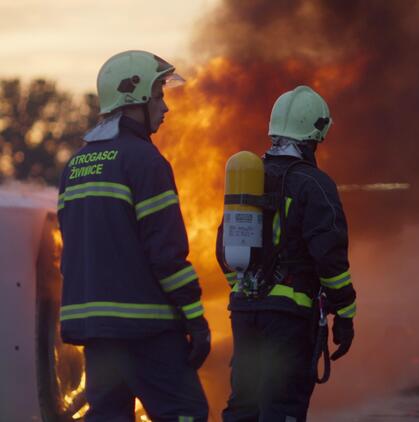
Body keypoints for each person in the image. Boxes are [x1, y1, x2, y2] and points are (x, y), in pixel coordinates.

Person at [57, 50, 210, 421]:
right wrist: (195, 319)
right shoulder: (144, 160)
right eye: (159, 95)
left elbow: (75, 250)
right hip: (146, 329)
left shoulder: (75, 165)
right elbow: (166, 253)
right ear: (136, 98)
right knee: (186, 412)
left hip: (96, 335)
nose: (165, 107)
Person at [218, 85, 357, 422]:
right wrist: (345, 313)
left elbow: (224, 250)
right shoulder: (315, 185)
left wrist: (249, 289)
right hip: (289, 316)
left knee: (244, 405)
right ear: (315, 134)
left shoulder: (248, 177)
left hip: (244, 309)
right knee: (282, 406)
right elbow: (330, 258)